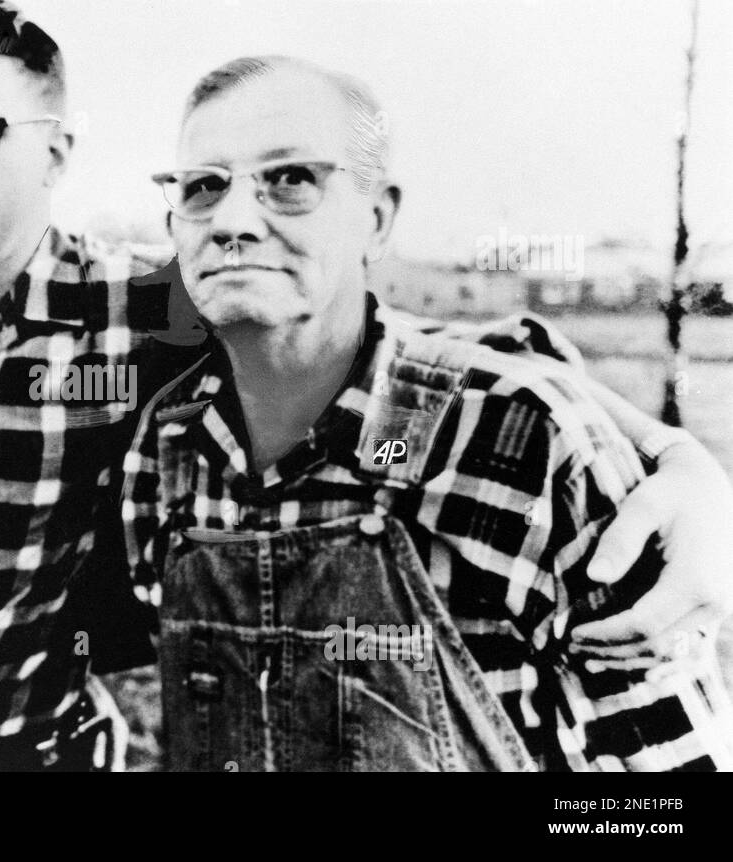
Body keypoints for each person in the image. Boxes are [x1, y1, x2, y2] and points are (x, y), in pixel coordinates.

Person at [122, 55, 733, 770]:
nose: (233, 221)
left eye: (291, 181)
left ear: (376, 221)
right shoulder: (168, 450)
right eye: (203, 187)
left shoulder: (524, 440)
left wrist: (689, 462)